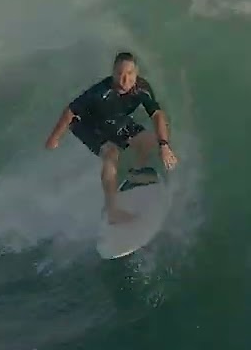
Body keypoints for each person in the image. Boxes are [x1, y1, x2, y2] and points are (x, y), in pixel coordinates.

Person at [43, 51, 178, 224]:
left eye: (129, 74)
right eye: (119, 74)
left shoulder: (141, 88)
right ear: (112, 73)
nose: (124, 80)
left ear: (136, 74)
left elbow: (157, 115)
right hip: (87, 124)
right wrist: (54, 138)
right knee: (111, 154)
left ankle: (135, 174)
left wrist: (164, 146)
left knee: (151, 140)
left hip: (115, 120)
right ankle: (112, 211)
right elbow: (71, 111)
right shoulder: (100, 91)